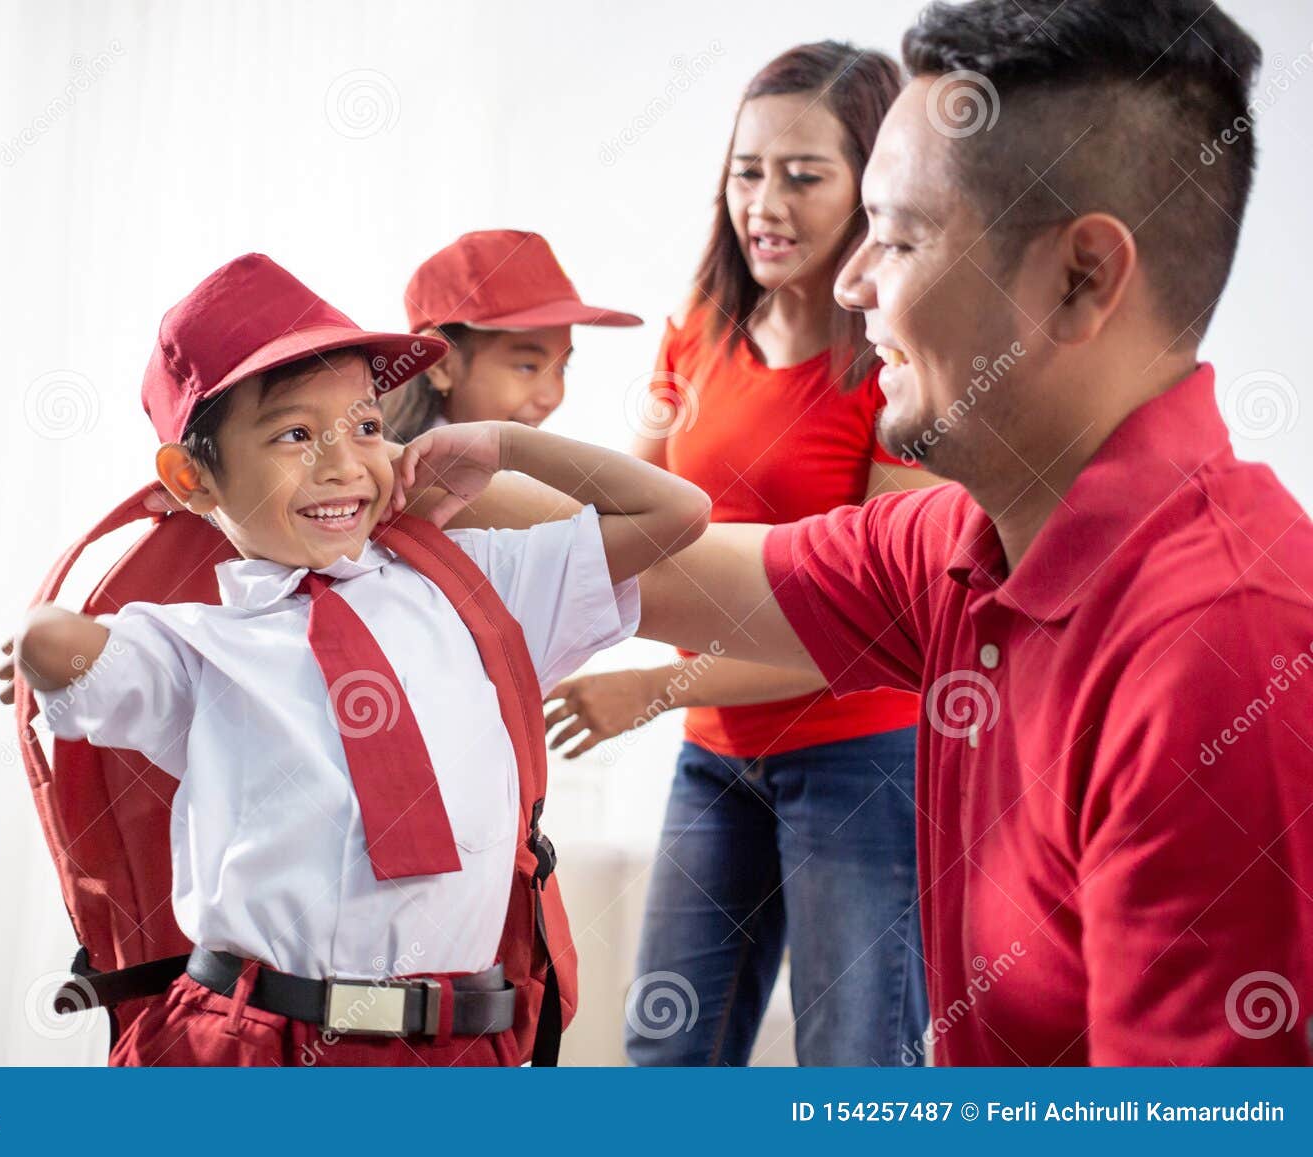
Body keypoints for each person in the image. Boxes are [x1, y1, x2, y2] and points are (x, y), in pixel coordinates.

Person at [464, 0, 1313, 1065]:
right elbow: (679, 564)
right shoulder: (958, 543)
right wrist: (390, 473)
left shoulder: (1226, 648)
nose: (855, 281)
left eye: (899, 237)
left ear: (1082, 277)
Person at [13, 253, 710, 1066]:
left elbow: (678, 511)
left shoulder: (480, 587)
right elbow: (51, 645)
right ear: (192, 478)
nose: (343, 464)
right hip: (250, 1043)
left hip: (458, 1047)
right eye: (296, 435)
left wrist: (503, 444)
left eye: (367, 426)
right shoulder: (196, 648)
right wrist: (75, 604)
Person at [546, 42, 939, 1067]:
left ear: (870, 189)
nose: (765, 202)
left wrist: (654, 687)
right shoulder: (690, 336)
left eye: (804, 176)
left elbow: (880, 626)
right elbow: (612, 524)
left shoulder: (900, 375)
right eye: (746, 171)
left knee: (857, 1065)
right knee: (667, 1058)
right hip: (719, 761)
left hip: (864, 761)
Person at [382, 229, 641, 441]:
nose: (551, 397)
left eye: (562, 368)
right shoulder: (423, 487)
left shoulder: (508, 470)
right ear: (441, 365)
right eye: (527, 366)